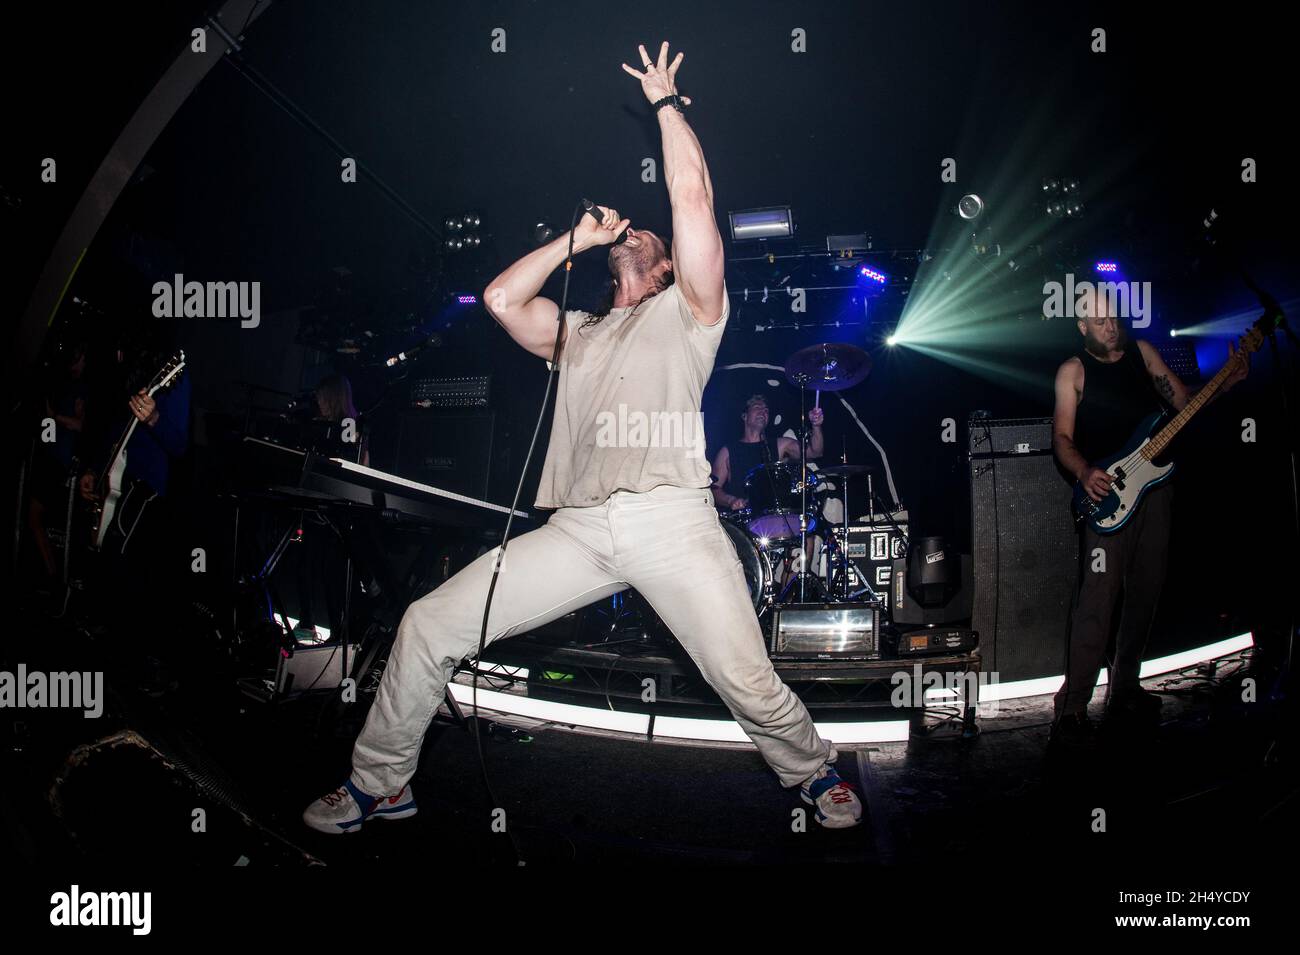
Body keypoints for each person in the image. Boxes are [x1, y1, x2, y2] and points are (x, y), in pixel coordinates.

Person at [303, 41, 861, 833]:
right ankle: (382, 783)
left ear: (668, 267)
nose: (638, 236)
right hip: (579, 526)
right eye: (627, 241)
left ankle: (811, 771)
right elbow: (498, 297)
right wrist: (578, 239)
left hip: (674, 520)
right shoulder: (581, 329)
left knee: (744, 675)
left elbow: (693, 197)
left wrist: (664, 104)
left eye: (648, 240)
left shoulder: (692, 312)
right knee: (430, 623)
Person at [1049, 287, 1247, 746]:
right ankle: (1073, 708)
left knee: (1145, 593)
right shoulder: (1073, 371)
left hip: (1156, 492)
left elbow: (1182, 403)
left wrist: (1225, 382)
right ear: (1082, 327)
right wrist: (1084, 471)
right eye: (1098, 321)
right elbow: (1061, 437)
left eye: (1112, 317)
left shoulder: (1142, 353)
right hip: (1106, 497)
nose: (1109, 325)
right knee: (1097, 603)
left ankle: (1124, 691)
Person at [710, 394, 824, 512]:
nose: (763, 412)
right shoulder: (727, 451)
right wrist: (731, 501)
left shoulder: (780, 445)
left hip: (774, 516)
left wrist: (816, 426)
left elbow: (814, 452)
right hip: (741, 519)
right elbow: (714, 488)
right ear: (745, 416)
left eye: (766, 410)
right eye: (757, 407)